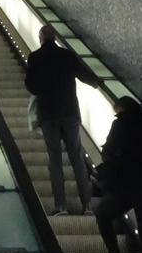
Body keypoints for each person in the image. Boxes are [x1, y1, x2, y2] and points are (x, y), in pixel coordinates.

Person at [25, 23, 100, 215]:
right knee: (76, 156)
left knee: (55, 158)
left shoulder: (35, 57)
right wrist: (97, 82)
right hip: (70, 112)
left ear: (40, 39)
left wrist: (43, 88)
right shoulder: (67, 55)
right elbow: (83, 74)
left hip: (49, 114)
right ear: (55, 38)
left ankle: (60, 206)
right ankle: (87, 204)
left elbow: (31, 86)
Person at [94, 96, 142, 253]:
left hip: (127, 187)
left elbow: (107, 152)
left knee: (102, 215)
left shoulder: (121, 124)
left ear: (122, 110)